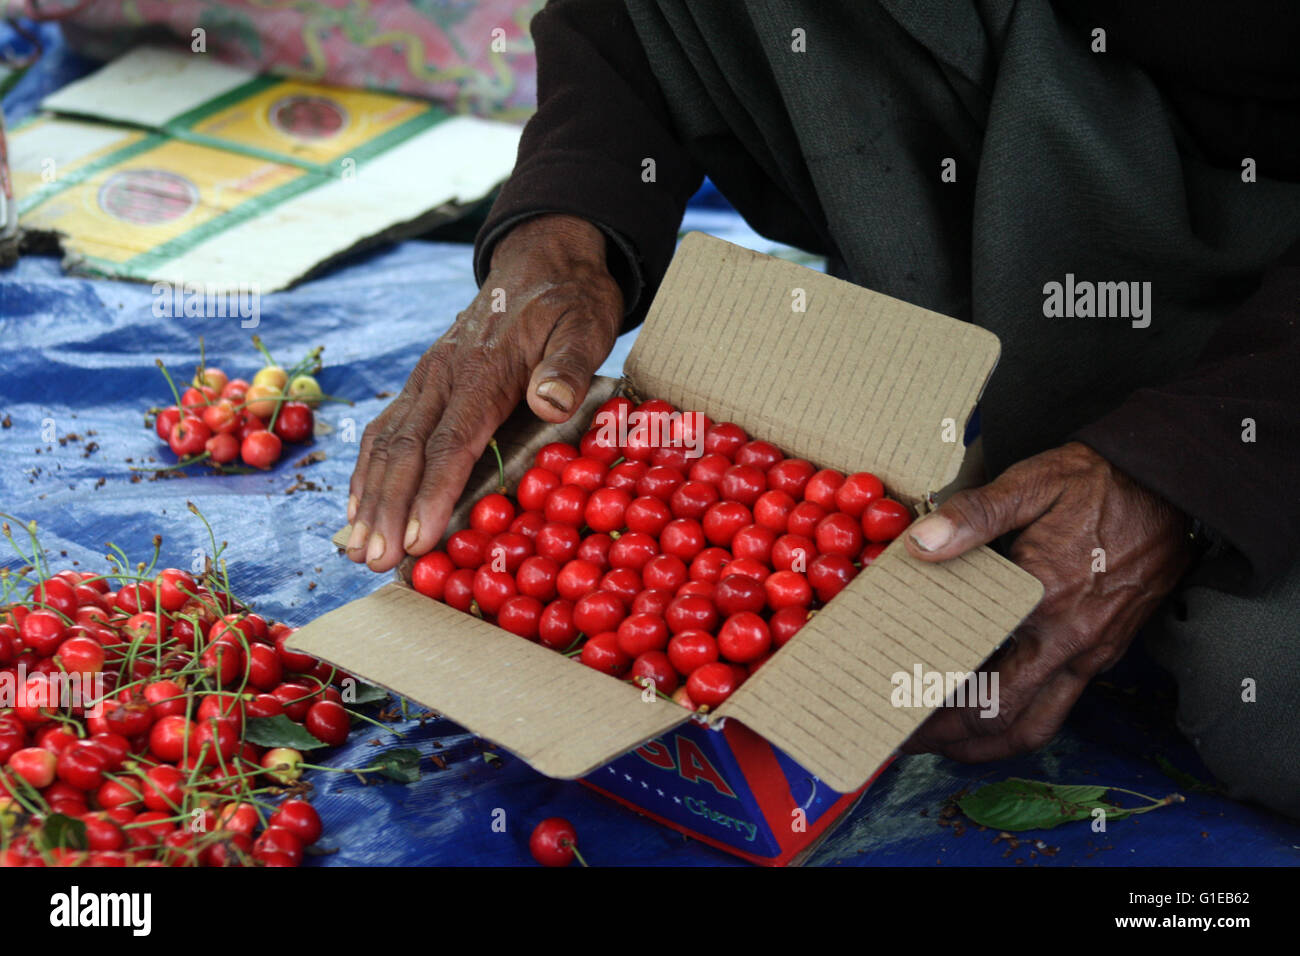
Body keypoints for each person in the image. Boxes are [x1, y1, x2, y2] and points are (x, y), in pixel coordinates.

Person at [346, 1, 1300, 816]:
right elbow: (627, 24)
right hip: (993, 189)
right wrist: (558, 232)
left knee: (1266, 699)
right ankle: (998, 340)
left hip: (1259, 285)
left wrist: (1190, 459)